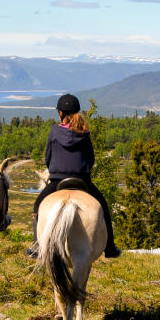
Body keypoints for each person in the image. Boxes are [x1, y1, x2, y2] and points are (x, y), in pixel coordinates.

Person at [31, 93, 120, 258]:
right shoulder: (85, 133)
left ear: (61, 113)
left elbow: (48, 157)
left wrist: (55, 170)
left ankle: (36, 246)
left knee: (37, 207)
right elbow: (91, 159)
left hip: (57, 179)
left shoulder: (54, 131)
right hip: (82, 180)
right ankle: (110, 247)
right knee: (104, 208)